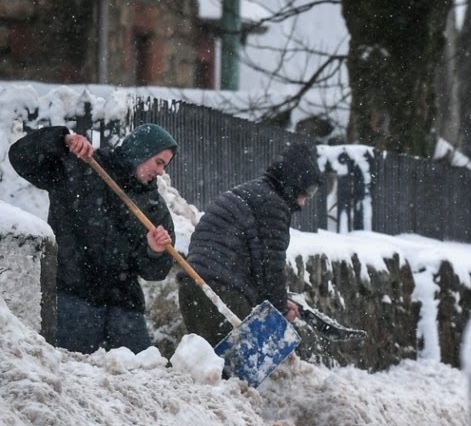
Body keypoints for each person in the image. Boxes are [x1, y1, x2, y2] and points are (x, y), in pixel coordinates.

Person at [9, 123, 177, 354]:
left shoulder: (154, 207)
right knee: (74, 372)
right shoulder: (82, 166)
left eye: (165, 166)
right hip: (72, 295)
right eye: (158, 162)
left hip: (124, 308)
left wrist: (154, 251)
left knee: (141, 376)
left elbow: (155, 272)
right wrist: (62, 140)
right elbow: (21, 157)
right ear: (140, 151)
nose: (161, 172)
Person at [179, 143, 322, 347]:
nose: (304, 201)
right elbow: (270, 267)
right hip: (221, 294)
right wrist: (281, 309)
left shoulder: (251, 192)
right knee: (236, 374)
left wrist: (279, 301)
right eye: (307, 191)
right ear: (293, 183)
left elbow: (253, 262)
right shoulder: (272, 205)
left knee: (209, 369)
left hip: (191, 289)